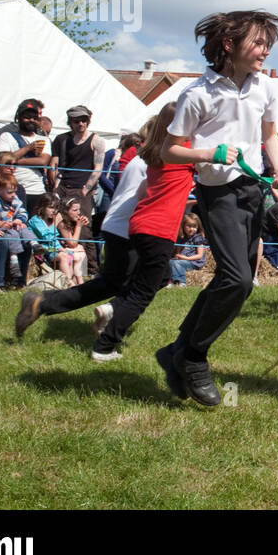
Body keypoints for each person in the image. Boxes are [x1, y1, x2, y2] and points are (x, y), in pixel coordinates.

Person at [155, 11, 278, 406]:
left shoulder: (264, 87)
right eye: (258, 42)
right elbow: (169, 150)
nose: (265, 50)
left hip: (252, 191)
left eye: (268, 43)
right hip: (218, 194)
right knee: (238, 280)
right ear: (229, 45)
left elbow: (270, 136)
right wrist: (207, 152)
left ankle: (175, 351)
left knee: (234, 285)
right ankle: (193, 357)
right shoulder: (197, 94)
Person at [15, 120, 154, 338]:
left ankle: (45, 303)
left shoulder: (142, 159)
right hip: (128, 228)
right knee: (139, 278)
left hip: (123, 226)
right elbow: (145, 194)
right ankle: (109, 315)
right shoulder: (148, 162)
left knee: (118, 282)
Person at [92, 102, 197, 362]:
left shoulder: (153, 154)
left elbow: (142, 192)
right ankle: (104, 346)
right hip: (158, 230)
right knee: (142, 294)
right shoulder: (183, 153)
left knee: (158, 277)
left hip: (139, 225)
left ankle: (113, 307)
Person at [52, 105, 105, 277]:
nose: (80, 123)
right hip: (63, 186)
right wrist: (55, 186)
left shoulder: (96, 141)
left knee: (85, 228)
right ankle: (63, 269)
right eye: (76, 121)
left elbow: (98, 168)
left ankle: (92, 270)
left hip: (81, 189)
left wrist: (86, 189)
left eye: (83, 120)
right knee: (60, 225)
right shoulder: (62, 140)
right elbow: (59, 165)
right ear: (70, 122)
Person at [0, 100, 52, 215]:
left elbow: (43, 161)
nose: (31, 120)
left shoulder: (44, 140)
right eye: (27, 117)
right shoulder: (7, 137)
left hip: (37, 190)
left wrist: (15, 161)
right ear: (19, 117)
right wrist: (28, 148)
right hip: (12, 191)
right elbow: (2, 160)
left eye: (35, 118)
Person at [0, 174, 34, 290]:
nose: (13, 194)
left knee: (25, 243)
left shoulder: (15, 200)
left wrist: (19, 220)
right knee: (3, 242)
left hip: (12, 231)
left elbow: (23, 212)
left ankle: (19, 282)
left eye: (14, 191)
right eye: (9, 192)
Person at [28, 194, 83, 287]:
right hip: (42, 250)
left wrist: (60, 248)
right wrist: (55, 223)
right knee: (63, 256)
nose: (54, 211)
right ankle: (69, 283)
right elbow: (47, 238)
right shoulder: (36, 220)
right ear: (42, 207)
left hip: (54, 249)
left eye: (56, 208)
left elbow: (57, 240)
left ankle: (77, 282)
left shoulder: (51, 220)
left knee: (73, 254)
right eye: (51, 207)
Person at [169, 213, 207, 286]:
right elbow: (178, 251)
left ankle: (182, 282)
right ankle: (173, 281)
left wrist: (186, 258)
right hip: (183, 260)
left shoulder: (198, 238)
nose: (192, 229)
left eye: (194, 227)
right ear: (183, 226)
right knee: (171, 262)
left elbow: (199, 255)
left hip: (194, 262)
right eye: (189, 226)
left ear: (198, 227)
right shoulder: (181, 237)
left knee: (177, 263)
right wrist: (177, 256)